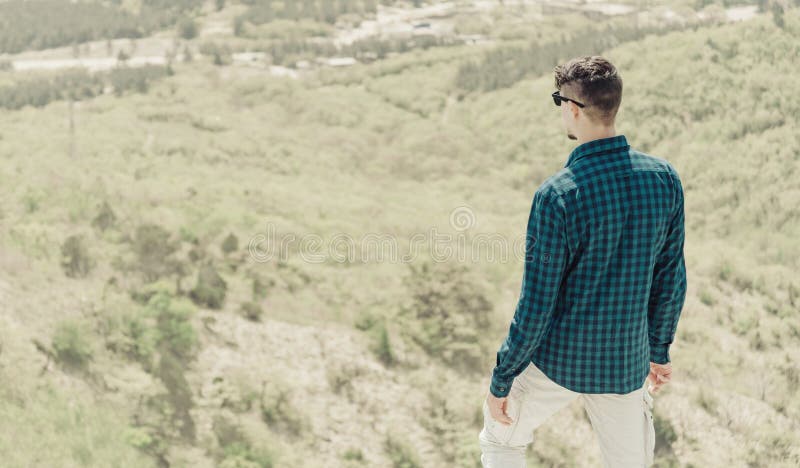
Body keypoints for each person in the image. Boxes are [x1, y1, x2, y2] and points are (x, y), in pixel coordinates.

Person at [478, 55, 687, 468]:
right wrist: (658, 351)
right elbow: (671, 277)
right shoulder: (664, 178)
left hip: (559, 361)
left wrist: (502, 379)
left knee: (500, 439)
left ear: (572, 108)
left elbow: (536, 305)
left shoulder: (557, 194)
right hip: (625, 364)